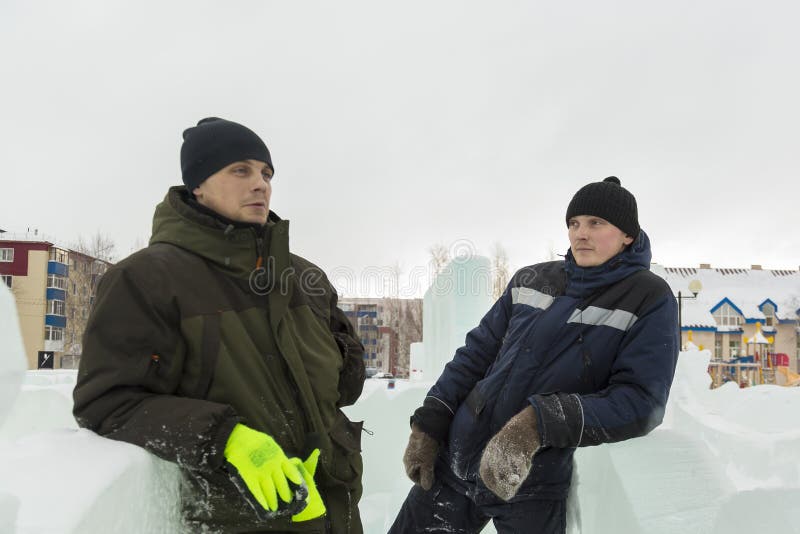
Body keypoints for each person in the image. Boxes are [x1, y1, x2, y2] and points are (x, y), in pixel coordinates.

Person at [73, 117, 366, 533]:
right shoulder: (146, 280)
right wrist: (227, 439)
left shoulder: (305, 277)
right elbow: (107, 403)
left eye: (266, 173)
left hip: (335, 509)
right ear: (198, 185)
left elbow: (345, 386)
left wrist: (343, 356)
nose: (260, 184)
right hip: (239, 517)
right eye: (240, 170)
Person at [391, 177, 679, 533]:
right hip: (458, 458)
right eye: (573, 223)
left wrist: (536, 425)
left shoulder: (648, 298)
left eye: (596, 223)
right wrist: (431, 420)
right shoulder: (532, 279)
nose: (580, 234)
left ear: (628, 235)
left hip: (534, 481)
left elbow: (640, 401)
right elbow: (475, 354)